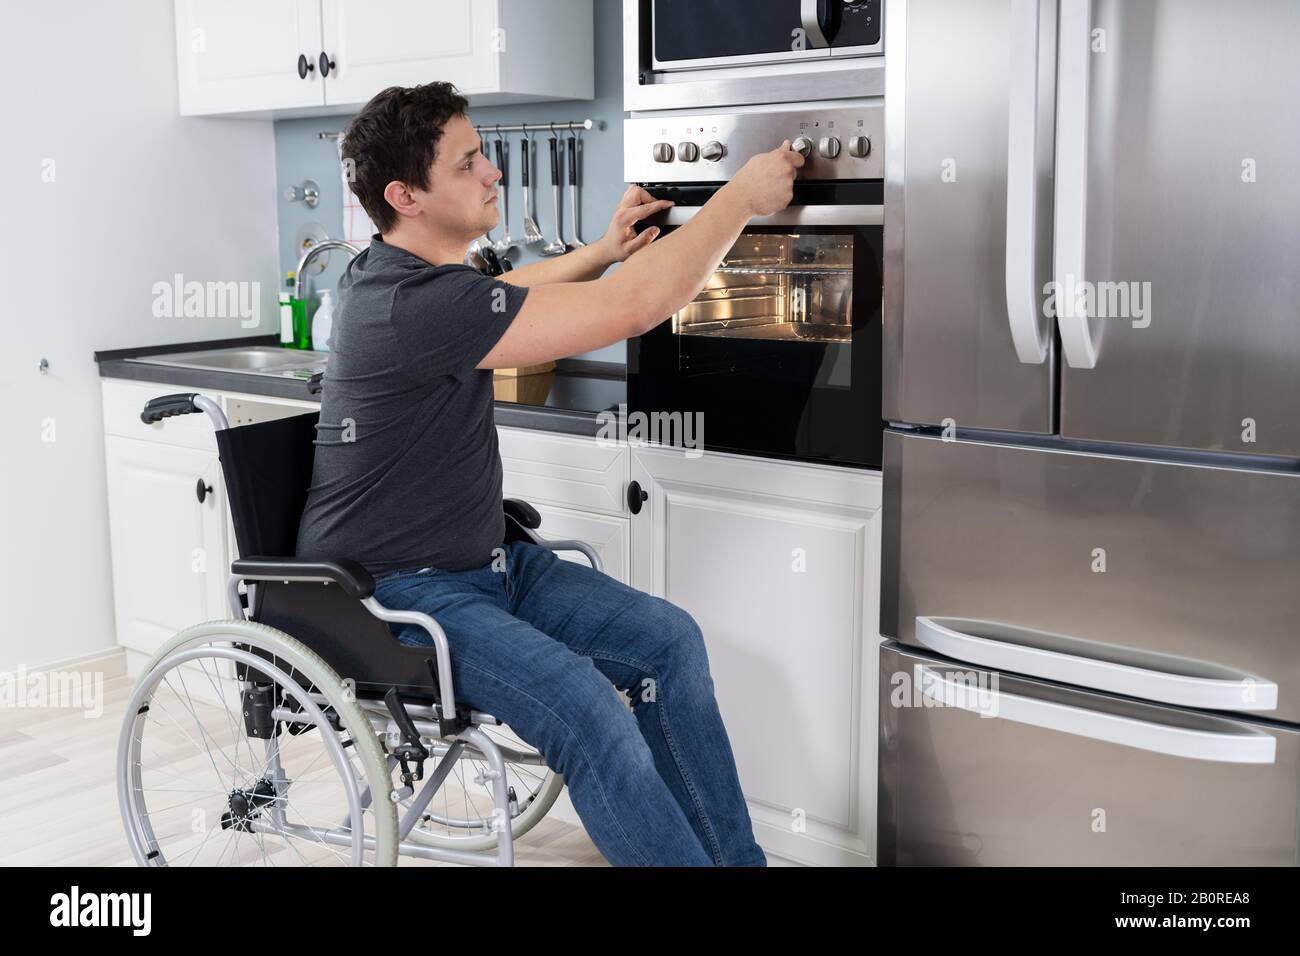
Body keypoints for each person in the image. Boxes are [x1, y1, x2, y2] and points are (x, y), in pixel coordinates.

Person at [295, 81, 804, 866]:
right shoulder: (410, 305)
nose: (493, 172)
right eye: (468, 163)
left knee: (668, 643)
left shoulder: (402, 280)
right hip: (397, 593)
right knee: (588, 710)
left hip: (489, 566)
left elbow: (498, 296)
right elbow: (634, 308)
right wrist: (738, 198)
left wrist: (598, 252)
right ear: (406, 196)